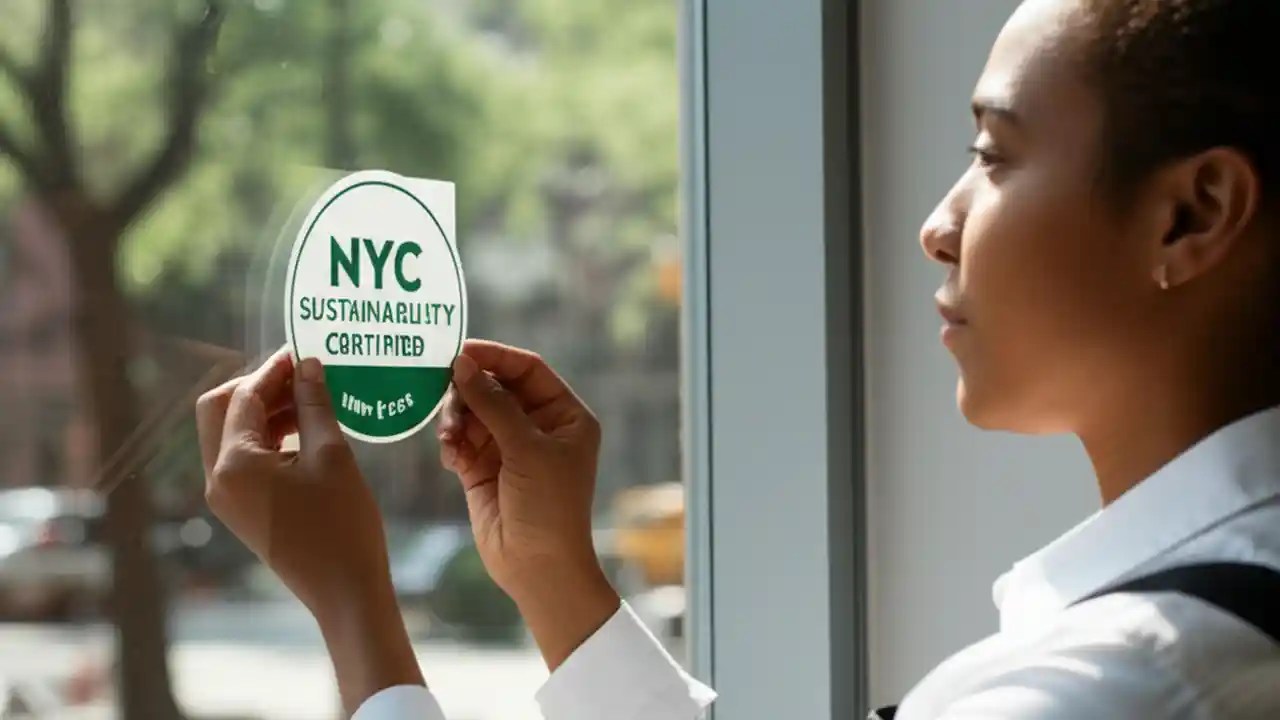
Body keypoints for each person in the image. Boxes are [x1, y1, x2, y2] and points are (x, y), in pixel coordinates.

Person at [195, 0, 1280, 717]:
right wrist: (556, 577)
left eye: (992, 156)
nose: (937, 227)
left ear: (1192, 213)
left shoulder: (1121, 683)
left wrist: (355, 614)